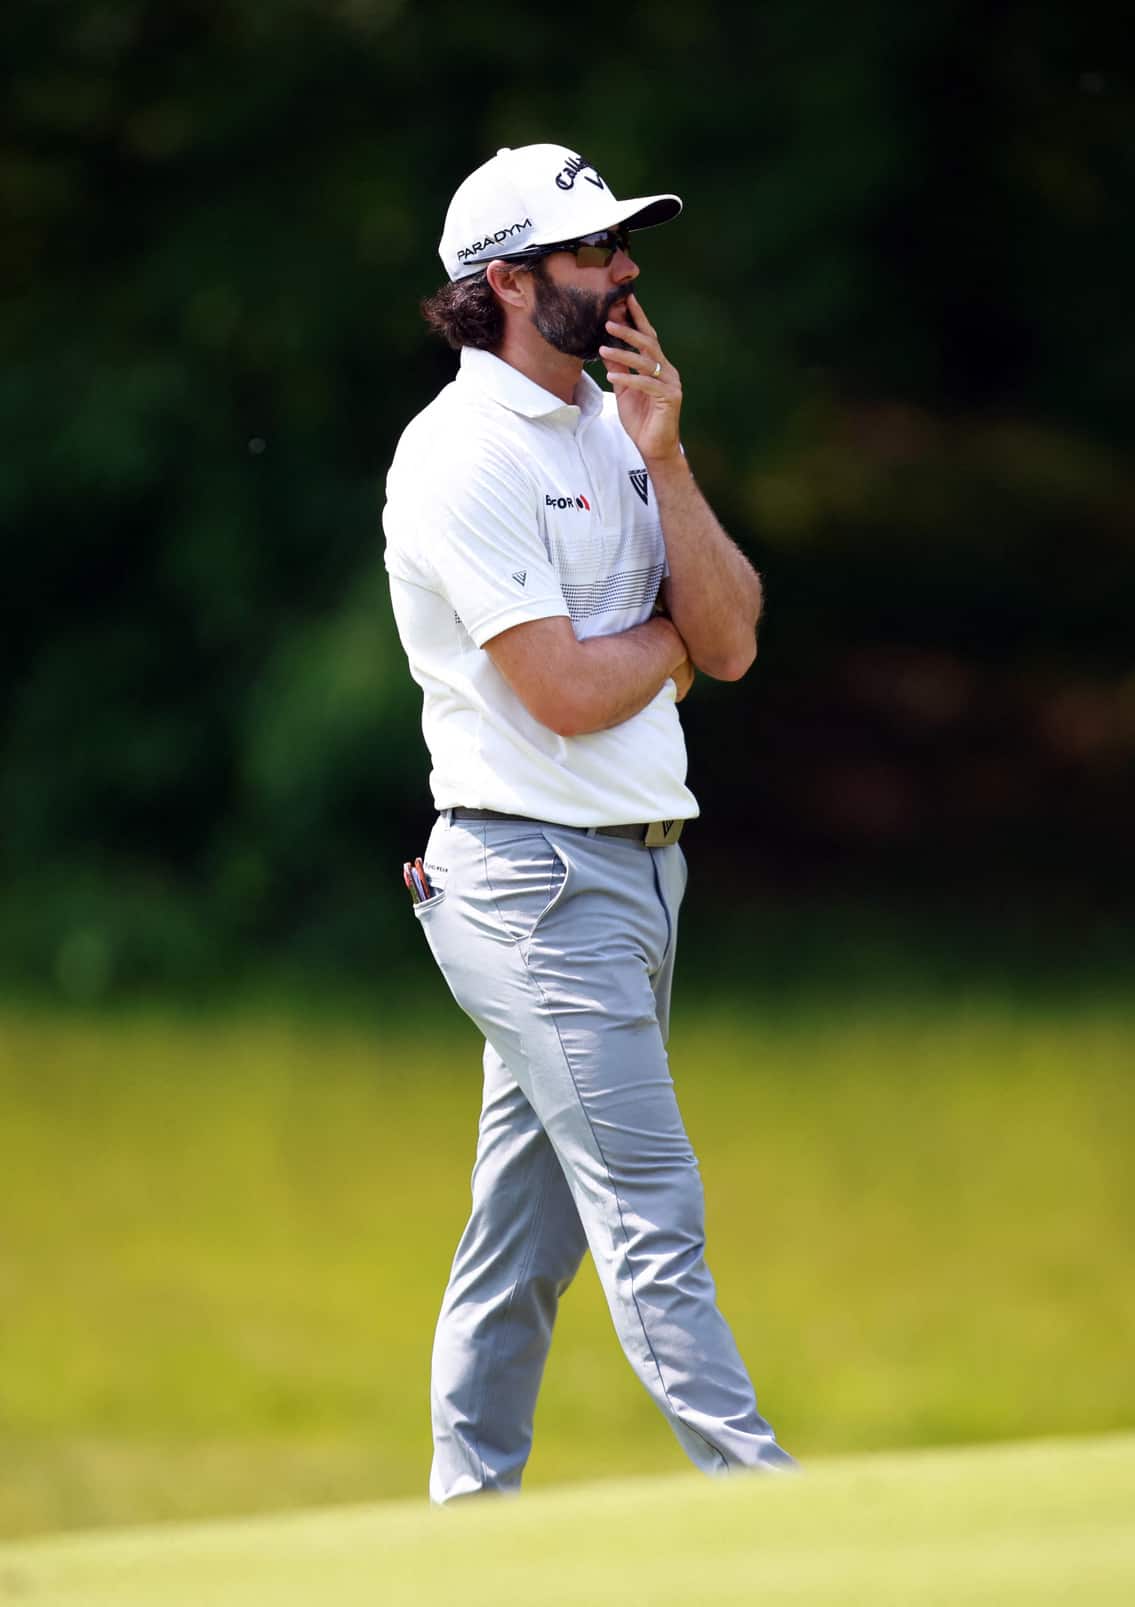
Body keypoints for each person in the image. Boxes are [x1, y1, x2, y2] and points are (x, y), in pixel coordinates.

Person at [382, 142, 793, 1502]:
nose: (624, 271)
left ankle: (466, 1521)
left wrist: (666, 464)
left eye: (620, 245)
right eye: (591, 252)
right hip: (532, 888)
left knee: (526, 1231)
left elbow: (730, 640)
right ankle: (771, 1508)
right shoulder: (458, 453)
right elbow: (560, 690)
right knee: (652, 1213)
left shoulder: (620, 428)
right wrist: (672, 642)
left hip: (638, 881)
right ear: (505, 281)